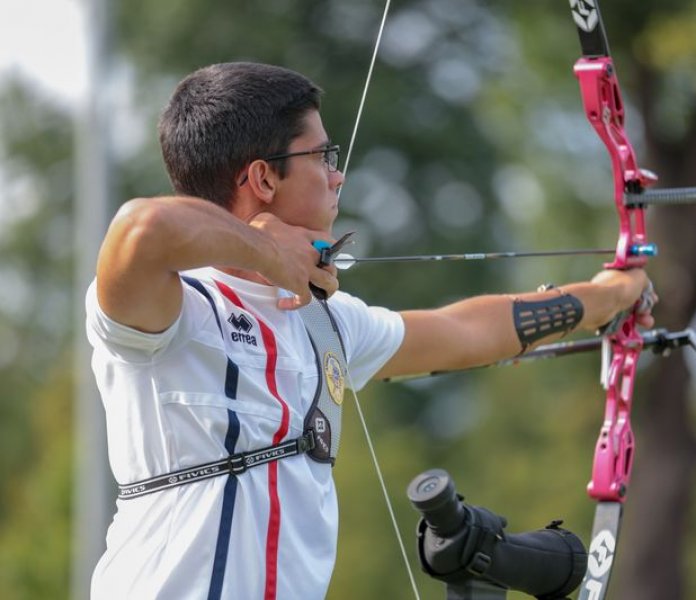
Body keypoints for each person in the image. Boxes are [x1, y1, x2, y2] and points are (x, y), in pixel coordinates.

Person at [85, 62, 654, 599]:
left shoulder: (322, 321)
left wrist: (609, 296)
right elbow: (143, 226)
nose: (338, 175)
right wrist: (265, 249)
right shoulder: (172, 307)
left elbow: (465, 333)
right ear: (262, 176)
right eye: (322, 155)